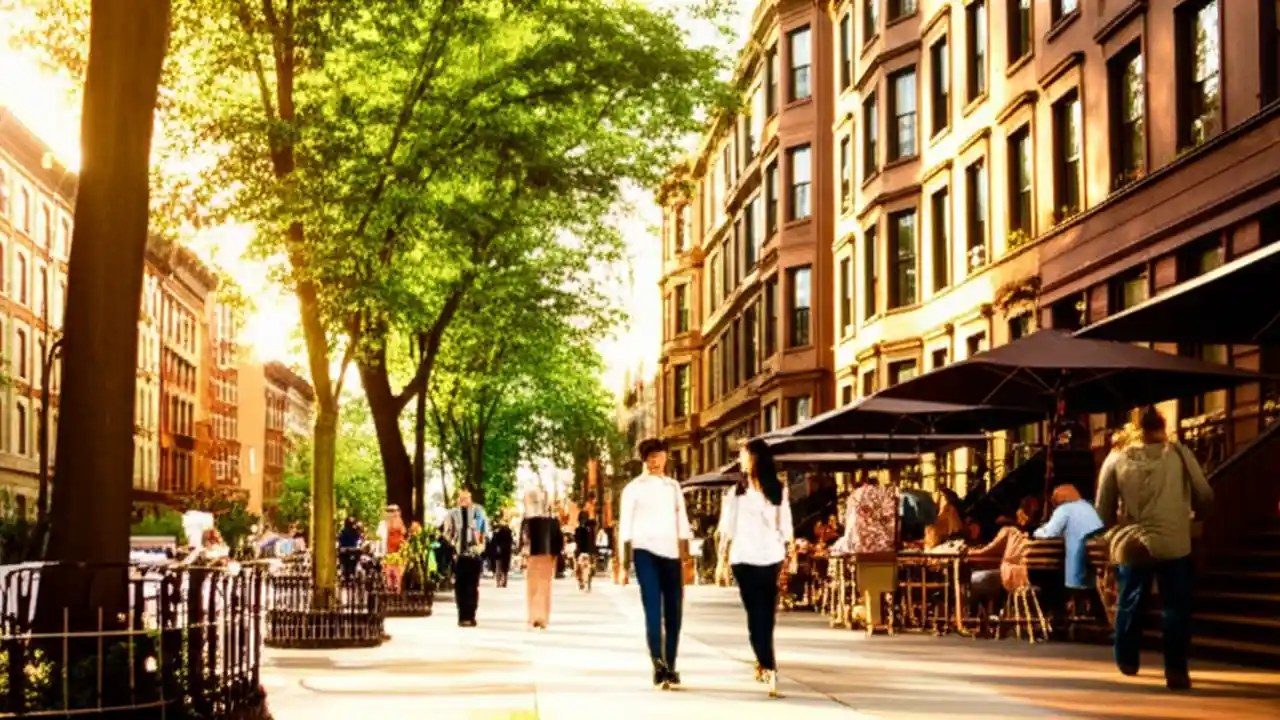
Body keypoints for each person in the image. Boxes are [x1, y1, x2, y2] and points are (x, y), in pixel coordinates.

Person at [1096, 407, 1212, 691]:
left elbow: (1103, 507)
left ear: (1138, 429)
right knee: (1175, 606)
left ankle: (1126, 658)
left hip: (1132, 542)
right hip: (1174, 541)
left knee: (1131, 598)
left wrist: (1115, 528)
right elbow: (1205, 494)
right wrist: (1194, 515)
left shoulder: (1116, 459)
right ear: (1164, 427)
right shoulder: (1181, 454)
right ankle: (1175, 670)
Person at [720, 438, 792, 698]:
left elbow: (786, 525)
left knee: (768, 615)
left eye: (745, 455)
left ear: (757, 458)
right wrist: (721, 562)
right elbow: (727, 530)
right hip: (743, 559)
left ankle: (766, 664)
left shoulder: (778, 490)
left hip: (771, 557)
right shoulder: (735, 493)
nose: (741, 460)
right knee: (754, 615)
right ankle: (766, 663)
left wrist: (789, 555)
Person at [619, 438, 692, 690]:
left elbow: (682, 521)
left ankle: (671, 665)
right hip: (644, 552)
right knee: (652, 608)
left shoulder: (673, 487)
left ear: (665, 457)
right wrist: (622, 563)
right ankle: (657, 663)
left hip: (671, 553)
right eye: (650, 456)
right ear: (643, 459)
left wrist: (687, 554)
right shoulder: (633, 488)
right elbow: (624, 527)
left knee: (674, 613)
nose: (654, 460)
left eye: (659, 455)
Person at [1033, 483, 1104, 592]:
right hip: (1097, 558)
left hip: (1079, 556)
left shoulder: (1065, 509)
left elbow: (1049, 533)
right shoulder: (1087, 506)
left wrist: (1036, 532)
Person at [443, 490, 489, 627]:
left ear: (471, 499)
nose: (464, 500)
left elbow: (484, 530)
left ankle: (471, 615)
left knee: (472, 586)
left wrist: (480, 547)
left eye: (467, 498)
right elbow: (447, 532)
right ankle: (462, 616)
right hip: (460, 556)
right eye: (461, 498)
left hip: (474, 555)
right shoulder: (452, 514)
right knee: (460, 586)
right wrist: (453, 546)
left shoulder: (478, 512)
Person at [520, 488, 562, 628]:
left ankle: (533, 616)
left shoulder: (527, 520)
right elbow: (558, 540)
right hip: (547, 555)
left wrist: (523, 553)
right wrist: (555, 555)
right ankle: (543, 617)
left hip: (533, 555)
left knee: (532, 586)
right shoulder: (553, 520)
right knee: (545, 586)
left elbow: (523, 539)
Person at [383, 506, 407, 593]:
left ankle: (394, 588)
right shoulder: (387, 523)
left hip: (397, 550)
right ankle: (392, 588)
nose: (396, 512)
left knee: (396, 571)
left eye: (397, 510)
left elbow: (403, 532)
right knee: (392, 570)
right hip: (391, 550)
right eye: (393, 511)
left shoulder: (397, 521)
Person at [574, 511, 597, 591]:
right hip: (589, 551)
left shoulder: (579, 529)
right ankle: (587, 583)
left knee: (580, 568)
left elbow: (577, 540)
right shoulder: (591, 528)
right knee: (588, 567)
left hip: (581, 551)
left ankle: (582, 582)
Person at [490, 522, 515, 588]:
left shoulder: (497, 534)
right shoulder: (509, 533)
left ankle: (498, 582)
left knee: (498, 567)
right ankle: (504, 582)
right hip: (506, 553)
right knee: (505, 568)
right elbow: (511, 543)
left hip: (499, 553)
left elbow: (494, 544)